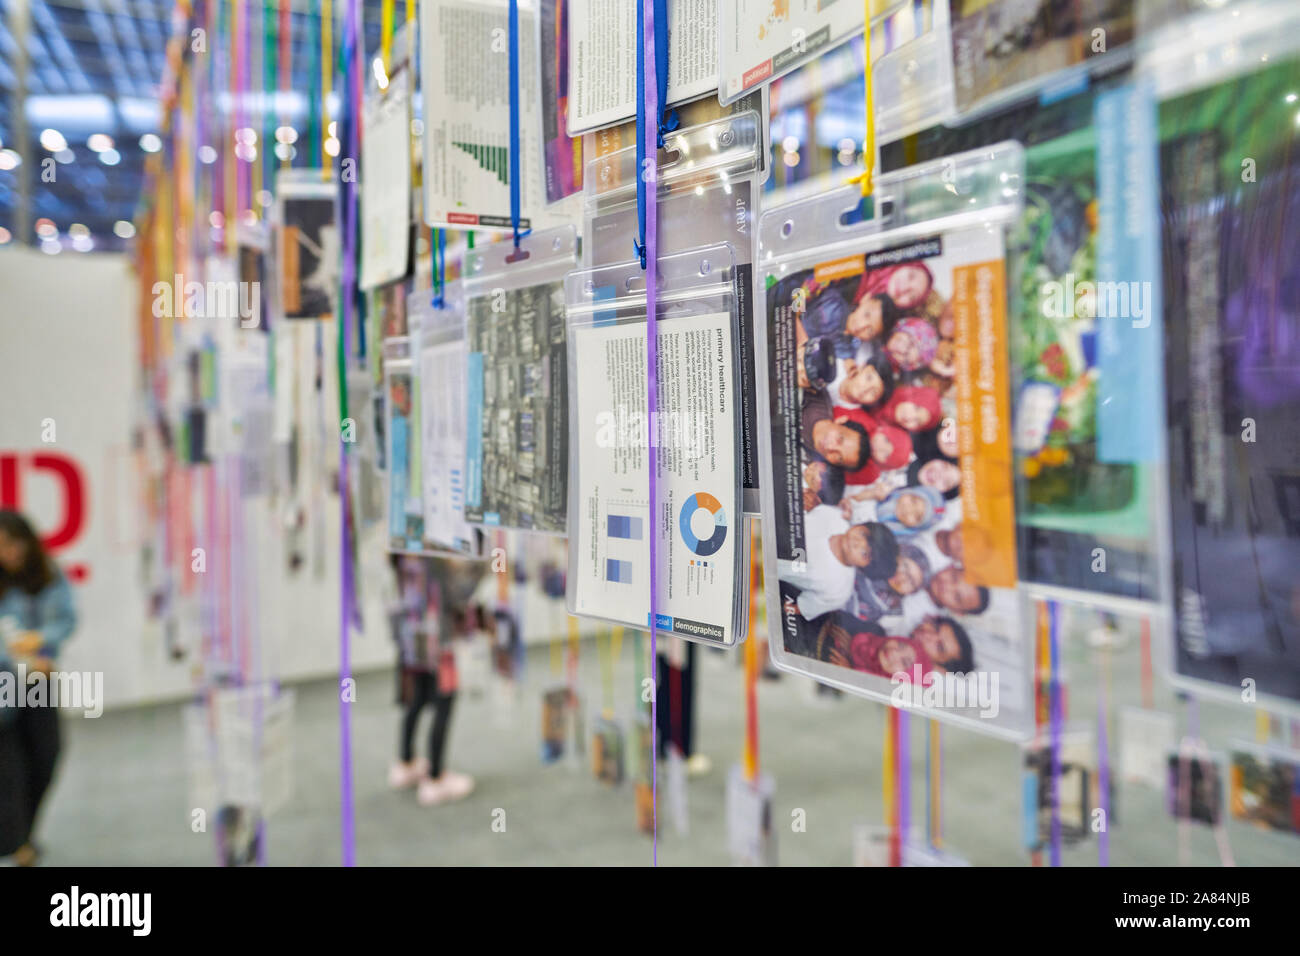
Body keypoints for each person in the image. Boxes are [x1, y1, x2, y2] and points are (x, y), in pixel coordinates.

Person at [0, 510, 77, 866]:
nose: (10, 553)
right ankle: (17, 842)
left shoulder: (46, 572)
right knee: (9, 767)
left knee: (46, 755)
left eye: (14, 543)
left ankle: (23, 834)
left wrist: (43, 644)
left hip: (38, 681)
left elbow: (65, 619)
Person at [386, 554, 484, 806]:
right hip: (438, 648)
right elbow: (457, 595)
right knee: (444, 705)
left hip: (411, 646)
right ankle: (436, 777)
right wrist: (480, 566)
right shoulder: (433, 561)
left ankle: (405, 762)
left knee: (416, 701)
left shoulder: (401, 559)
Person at [778, 505, 899, 620]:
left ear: (864, 568)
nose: (856, 543)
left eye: (864, 553)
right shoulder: (834, 516)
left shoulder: (839, 591)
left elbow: (800, 608)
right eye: (862, 534)